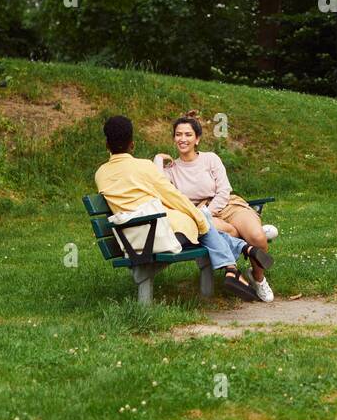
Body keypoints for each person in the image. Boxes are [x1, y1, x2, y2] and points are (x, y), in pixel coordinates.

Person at [94, 114, 268, 301]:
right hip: (161, 233)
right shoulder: (143, 167)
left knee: (202, 224)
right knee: (199, 224)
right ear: (132, 144)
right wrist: (199, 217)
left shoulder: (100, 174)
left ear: (106, 145)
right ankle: (235, 260)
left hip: (131, 237)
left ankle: (238, 258)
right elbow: (173, 196)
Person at [155, 114, 277, 303]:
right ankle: (250, 240)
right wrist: (157, 160)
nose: (183, 139)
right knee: (231, 232)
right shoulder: (171, 169)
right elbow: (160, 188)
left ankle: (257, 278)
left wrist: (210, 210)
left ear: (197, 139)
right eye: (178, 135)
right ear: (173, 138)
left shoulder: (210, 159)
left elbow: (224, 189)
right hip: (199, 213)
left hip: (226, 204)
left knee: (257, 237)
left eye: (188, 135)